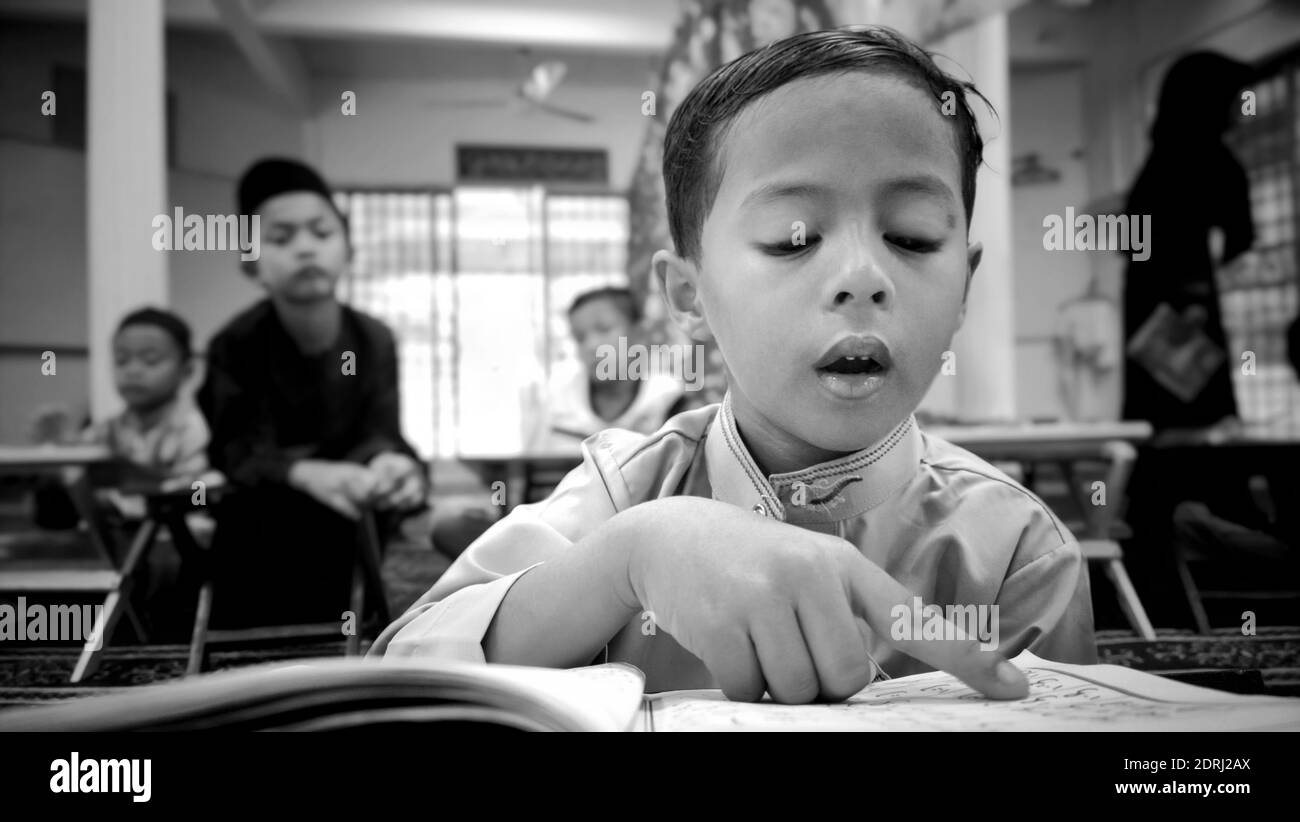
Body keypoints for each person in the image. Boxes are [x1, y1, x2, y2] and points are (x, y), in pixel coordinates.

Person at [374, 26, 1095, 703]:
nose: (862, 276)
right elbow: (404, 671)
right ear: (689, 296)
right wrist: (631, 559)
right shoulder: (624, 494)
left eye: (910, 237)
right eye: (792, 240)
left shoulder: (1017, 550)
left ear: (965, 285)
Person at [197, 157, 427, 629]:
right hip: (262, 524)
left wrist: (392, 464)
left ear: (348, 248)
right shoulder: (235, 344)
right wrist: (306, 473)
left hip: (351, 515)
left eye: (322, 234)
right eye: (281, 239)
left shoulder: (373, 338)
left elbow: (381, 431)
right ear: (249, 259)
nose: (306, 249)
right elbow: (238, 450)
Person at [1122, 52, 1256, 438]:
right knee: (1204, 420)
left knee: (1157, 422)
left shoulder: (1153, 169)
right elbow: (1239, 243)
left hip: (1149, 312)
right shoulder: (1219, 164)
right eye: (1233, 102)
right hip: (1192, 312)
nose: (1240, 113)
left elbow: (1130, 243)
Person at [529, 286, 685, 450]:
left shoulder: (670, 399)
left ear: (640, 334)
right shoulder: (557, 406)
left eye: (604, 329)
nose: (591, 345)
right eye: (580, 337)